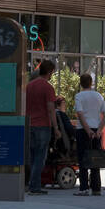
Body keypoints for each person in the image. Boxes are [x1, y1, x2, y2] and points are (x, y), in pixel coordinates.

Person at [24, 59, 59, 195]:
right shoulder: (48, 88)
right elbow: (51, 109)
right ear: (49, 72)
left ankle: (33, 184)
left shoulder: (29, 86)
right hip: (43, 125)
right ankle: (34, 186)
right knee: (40, 157)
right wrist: (56, 128)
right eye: (52, 73)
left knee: (32, 156)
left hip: (29, 124)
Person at [73, 74, 105, 196]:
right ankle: (96, 188)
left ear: (80, 83)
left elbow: (80, 114)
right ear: (91, 82)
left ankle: (83, 188)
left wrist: (87, 130)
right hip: (96, 129)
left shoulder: (79, 96)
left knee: (83, 158)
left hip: (83, 130)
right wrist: (99, 130)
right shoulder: (98, 96)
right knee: (95, 157)